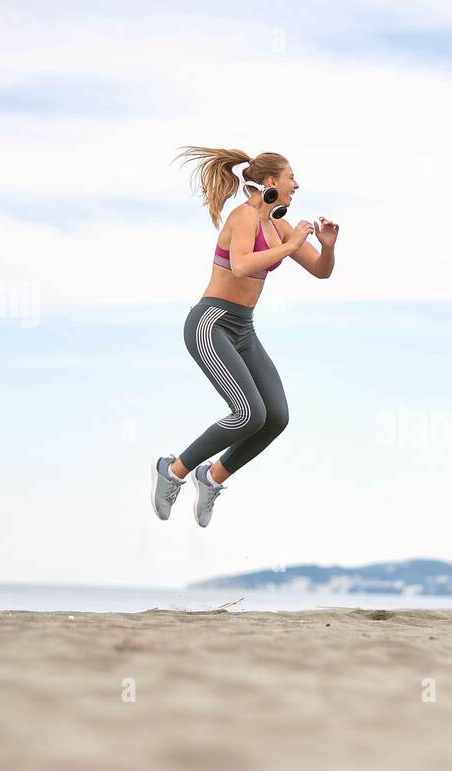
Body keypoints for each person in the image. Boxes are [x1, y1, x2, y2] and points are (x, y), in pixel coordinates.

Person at [150, 148, 338, 528]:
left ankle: (212, 476)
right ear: (271, 182)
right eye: (291, 177)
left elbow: (320, 270)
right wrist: (291, 244)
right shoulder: (245, 217)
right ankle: (172, 470)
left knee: (275, 417)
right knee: (249, 413)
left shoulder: (277, 224)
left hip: (243, 328)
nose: (296, 184)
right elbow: (240, 266)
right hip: (211, 323)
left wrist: (328, 247)